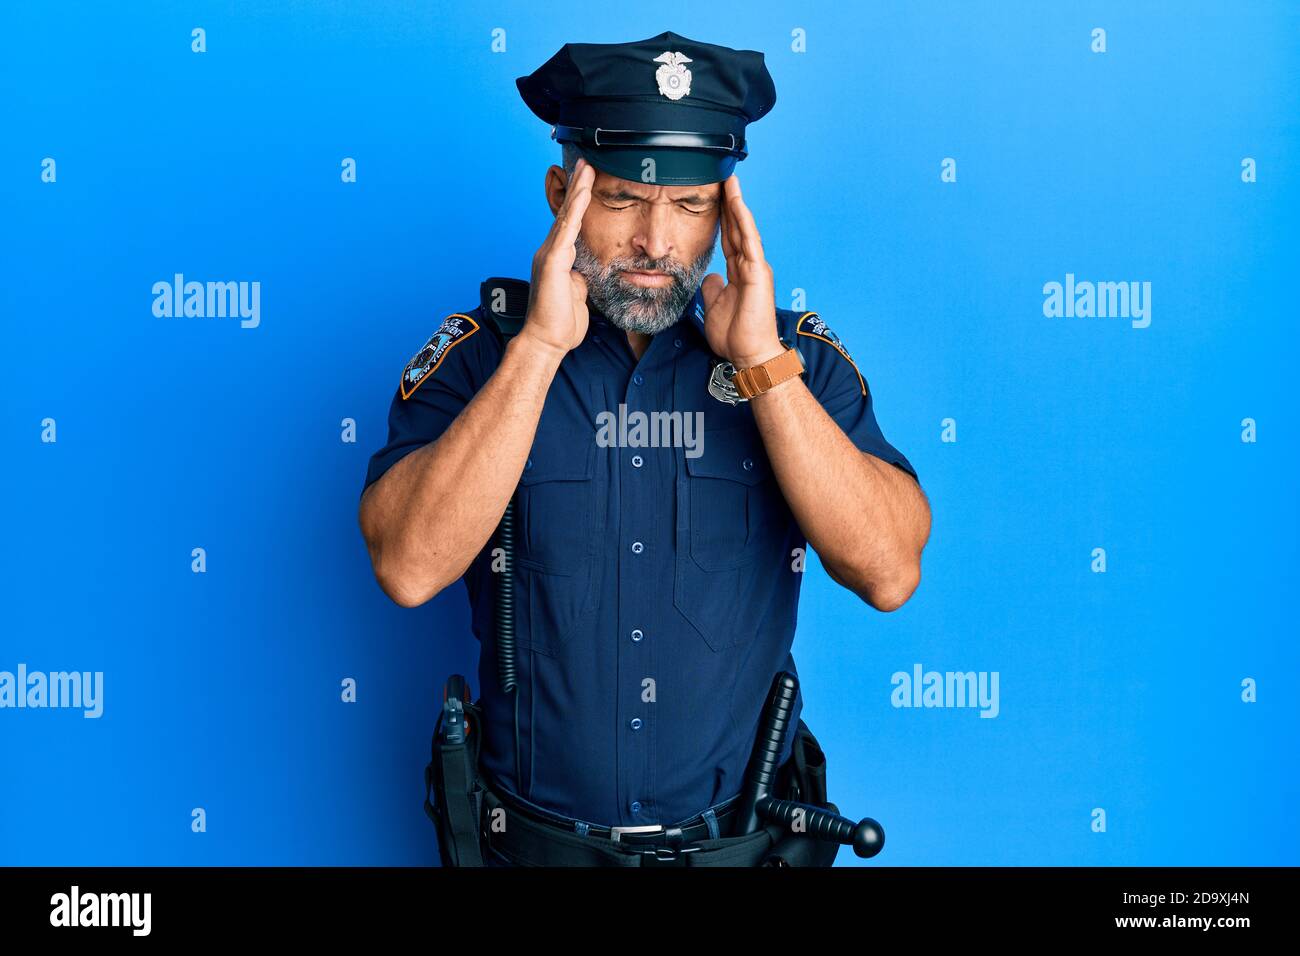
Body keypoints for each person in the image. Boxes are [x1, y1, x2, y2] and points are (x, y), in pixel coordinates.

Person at [358, 30, 931, 866]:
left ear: (727, 213)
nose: (658, 242)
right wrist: (539, 352)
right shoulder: (484, 354)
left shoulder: (791, 359)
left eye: (692, 206)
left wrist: (766, 369)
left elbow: (889, 571)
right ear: (564, 194)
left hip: (739, 851)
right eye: (625, 199)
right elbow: (406, 567)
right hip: (531, 852)